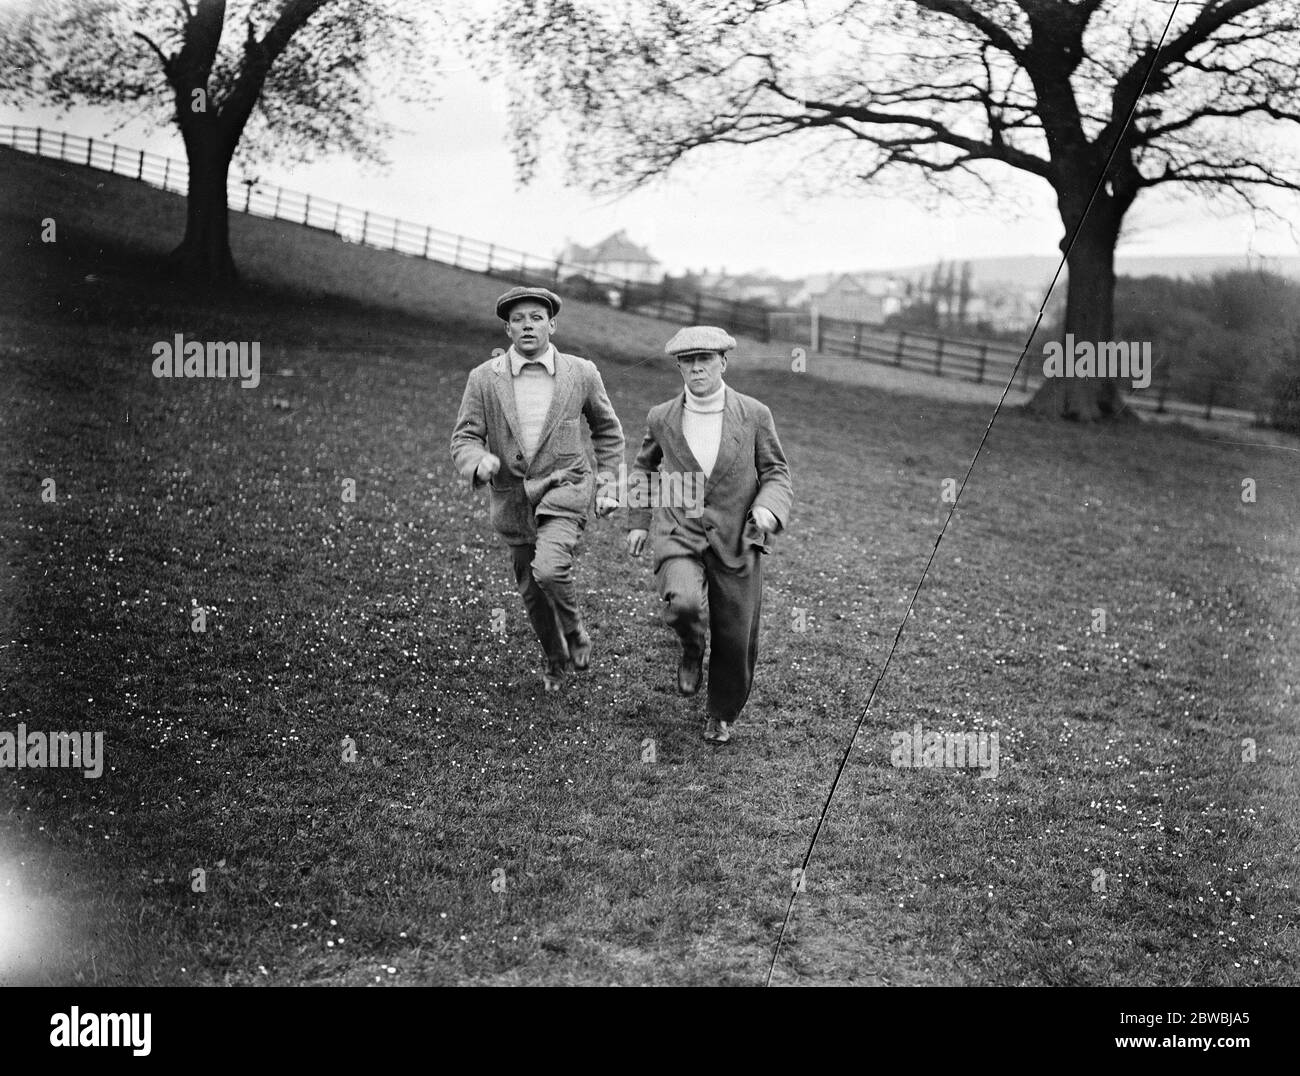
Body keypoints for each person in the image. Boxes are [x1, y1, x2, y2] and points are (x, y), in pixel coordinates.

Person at [451, 286, 624, 692]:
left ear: (552, 324)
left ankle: (575, 630)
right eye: (518, 319)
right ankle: (554, 658)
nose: (527, 325)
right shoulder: (483, 379)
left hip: (566, 486)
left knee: (548, 567)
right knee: (531, 589)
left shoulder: (581, 372)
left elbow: (608, 431)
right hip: (512, 498)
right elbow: (464, 438)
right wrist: (478, 462)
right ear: (507, 329)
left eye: (536, 317)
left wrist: (609, 484)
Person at [626, 326, 793, 744]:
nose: (696, 367)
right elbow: (644, 469)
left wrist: (768, 507)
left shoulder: (754, 413)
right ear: (678, 365)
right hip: (678, 530)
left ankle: (720, 712)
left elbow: (776, 471)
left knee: (736, 636)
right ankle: (691, 648)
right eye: (687, 360)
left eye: (705, 359)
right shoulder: (662, 416)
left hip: (736, 536)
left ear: (723, 362)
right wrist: (637, 522)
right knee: (682, 602)